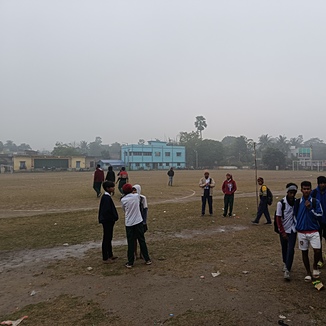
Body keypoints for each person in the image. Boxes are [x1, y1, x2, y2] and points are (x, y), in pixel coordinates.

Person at [294, 181, 323, 281]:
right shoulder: (297, 202)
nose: (306, 191)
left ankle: (315, 266)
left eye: (308, 189)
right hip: (302, 232)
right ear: (301, 190)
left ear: (311, 190)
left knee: (317, 250)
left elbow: (320, 215)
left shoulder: (315, 202)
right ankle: (308, 272)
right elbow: (294, 216)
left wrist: (310, 208)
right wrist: (297, 226)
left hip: (314, 230)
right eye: (304, 189)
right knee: (304, 252)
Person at [120, 183, 152, 268]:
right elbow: (140, 195)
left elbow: (124, 209)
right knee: (142, 240)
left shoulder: (123, 200)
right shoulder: (136, 196)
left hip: (129, 223)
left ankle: (130, 262)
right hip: (138, 222)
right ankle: (147, 259)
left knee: (130, 242)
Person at [275, 183, 298, 280]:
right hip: (283, 229)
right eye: (291, 193)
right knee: (284, 247)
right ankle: (285, 263)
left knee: (291, 249)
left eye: (294, 193)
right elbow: (278, 218)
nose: (292, 195)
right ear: (287, 192)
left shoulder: (297, 202)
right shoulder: (281, 203)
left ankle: (288, 269)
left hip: (293, 229)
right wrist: (282, 232)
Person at [98, 181, 119, 263]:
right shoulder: (106, 198)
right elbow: (107, 211)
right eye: (112, 187)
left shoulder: (107, 197)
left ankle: (110, 254)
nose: (113, 188)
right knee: (106, 238)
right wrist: (112, 218)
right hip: (107, 221)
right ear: (107, 188)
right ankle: (105, 257)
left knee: (109, 237)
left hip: (108, 220)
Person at [311, 176, 326, 268]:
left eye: (324, 183)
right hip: (317, 222)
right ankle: (320, 259)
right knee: (318, 241)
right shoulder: (314, 192)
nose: (322, 185)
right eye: (321, 183)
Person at [132, 184, 148, 259]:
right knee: (134, 239)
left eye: (135, 190)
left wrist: (144, 221)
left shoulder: (142, 198)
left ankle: (142, 253)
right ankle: (135, 253)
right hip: (133, 221)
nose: (134, 191)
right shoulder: (131, 198)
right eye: (133, 190)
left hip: (141, 221)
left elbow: (145, 210)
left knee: (141, 238)